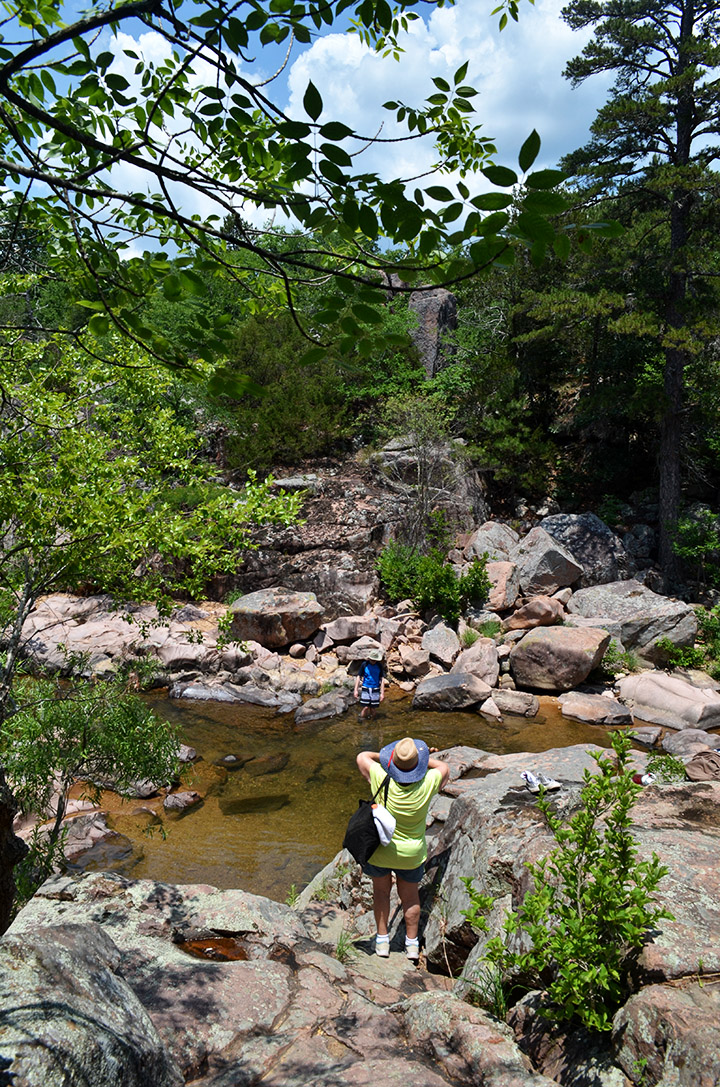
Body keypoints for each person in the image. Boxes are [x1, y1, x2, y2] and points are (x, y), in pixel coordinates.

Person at [355, 737, 450, 961]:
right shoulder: (428, 783)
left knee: (380, 893)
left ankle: (381, 942)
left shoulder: (380, 776)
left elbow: (362, 757)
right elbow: (444, 768)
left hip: (381, 851)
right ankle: (412, 946)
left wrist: (387, 759)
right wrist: (422, 760)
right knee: (410, 899)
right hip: (412, 854)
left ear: (392, 764)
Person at [353, 647, 385, 719]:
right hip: (366, 688)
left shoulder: (379, 665)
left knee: (373, 708)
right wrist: (356, 690)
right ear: (369, 658)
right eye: (372, 660)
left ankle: (373, 722)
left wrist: (382, 693)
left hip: (375, 688)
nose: (374, 661)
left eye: (375, 660)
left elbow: (382, 679)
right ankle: (361, 719)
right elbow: (359, 677)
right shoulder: (365, 664)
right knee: (366, 707)